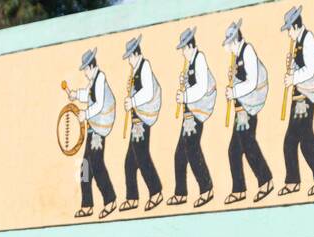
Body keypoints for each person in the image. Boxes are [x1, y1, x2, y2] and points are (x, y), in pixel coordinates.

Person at [278, 6, 314, 197]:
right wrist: (291, 67)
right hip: (299, 95)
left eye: (289, 30)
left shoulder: (307, 38)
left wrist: (292, 78)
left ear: (296, 26)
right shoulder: (298, 42)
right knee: (290, 141)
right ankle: (293, 181)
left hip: (306, 96)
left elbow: (309, 71)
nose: (289, 34)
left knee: (304, 138)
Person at [222, 19, 273, 204]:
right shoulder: (238, 55)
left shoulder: (248, 51)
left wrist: (234, 90)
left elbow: (252, 82)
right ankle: (240, 190)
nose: (228, 49)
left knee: (247, 146)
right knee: (234, 150)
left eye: (228, 45)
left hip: (249, 108)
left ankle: (265, 181)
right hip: (241, 109)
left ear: (235, 41)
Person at [68, 48, 118, 219]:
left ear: (91, 67)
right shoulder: (93, 80)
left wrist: (85, 114)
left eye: (85, 70)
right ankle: (87, 204)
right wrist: (74, 95)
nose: (85, 74)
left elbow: (98, 104)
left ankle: (110, 199)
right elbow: (87, 95)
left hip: (99, 128)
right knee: (85, 167)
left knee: (96, 164)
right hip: (93, 127)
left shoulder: (100, 78)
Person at [170, 27, 215, 207]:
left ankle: (206, 188)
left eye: (183, 48)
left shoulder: (199, 59)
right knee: (180, 154)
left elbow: (202, 86)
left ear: (190, 46)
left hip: (197, 112)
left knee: (191, 149)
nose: (182, 53)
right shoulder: (191, 63)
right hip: (190, 113)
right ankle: (181, 193)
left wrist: (185, 96)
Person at [119, 34, 164, 213]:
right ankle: (132, 197)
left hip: (142, 120)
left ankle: (155, 192)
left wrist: (133, 102)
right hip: (136, 120)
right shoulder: (135, 70)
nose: (129, 60)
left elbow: (148, 92)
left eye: (130, 56)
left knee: (141, 156)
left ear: (135, 54)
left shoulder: (144, 66)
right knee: (130, 161)